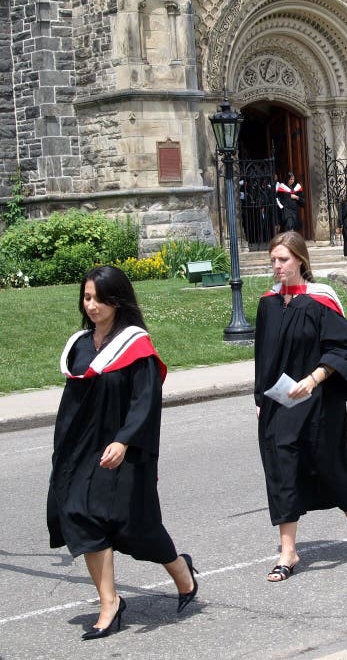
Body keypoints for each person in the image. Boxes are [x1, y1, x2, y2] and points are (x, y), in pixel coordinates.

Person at [47, 266, 198, 640]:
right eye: (87, 298)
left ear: (117, 300)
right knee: (79, 514)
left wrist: (124, 439)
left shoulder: (135, 344)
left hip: (124, 449)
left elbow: (146, 400)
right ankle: (110, 603)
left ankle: (181, 571)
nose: (92, 305)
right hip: (84, 447)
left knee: (135, 526)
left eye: (99, 298)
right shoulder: (80, 345)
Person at [255, 232, 347, 582]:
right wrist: (260, 399)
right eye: (273, 260)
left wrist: (315, 377)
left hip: (319, 400)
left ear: (300, 261)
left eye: (283, 260)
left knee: (328, 465)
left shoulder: (321, 299)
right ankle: (288, 551)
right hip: (280, 402)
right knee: (281, 467)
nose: (277, 266)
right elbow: (263, 357)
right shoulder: (268, 303)